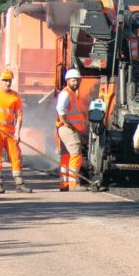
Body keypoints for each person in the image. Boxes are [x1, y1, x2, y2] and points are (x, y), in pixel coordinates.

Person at [53, 61, 101, 191]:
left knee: (66, 156)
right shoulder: (66, 93)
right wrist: (67, 123)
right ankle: (74, 184)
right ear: (67, 80)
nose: (76, 83)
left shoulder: (72, 94)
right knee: (76, 154)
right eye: (73, 80)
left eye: (77, 80)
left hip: (65, 128)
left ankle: (64, 184)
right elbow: (60, 109)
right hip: (67, 128)